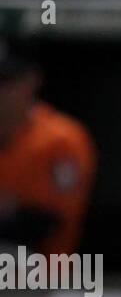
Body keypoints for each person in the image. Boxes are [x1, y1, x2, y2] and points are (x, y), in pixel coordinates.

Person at [0, 41, 97, 257]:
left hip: (43, 282)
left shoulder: (61, 139)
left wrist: (13, 213)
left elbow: (42, 223)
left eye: (6, 81)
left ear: (32, 80)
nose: (1, 92)